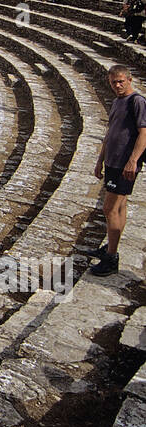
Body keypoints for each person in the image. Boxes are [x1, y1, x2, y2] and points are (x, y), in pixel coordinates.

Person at [91, 66, 146, 275]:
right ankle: (112, 246)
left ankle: (111, 258)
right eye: (114, 82)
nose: (117, 85)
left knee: (109, 209)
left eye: (121, 81)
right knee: (120, 207)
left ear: (130, 79)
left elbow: (144, 133)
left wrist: (133, 161)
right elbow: (110, 133)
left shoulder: (137, 101)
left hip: (125, 164)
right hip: (112, 162)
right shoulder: (117, 101)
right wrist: (99, 160)